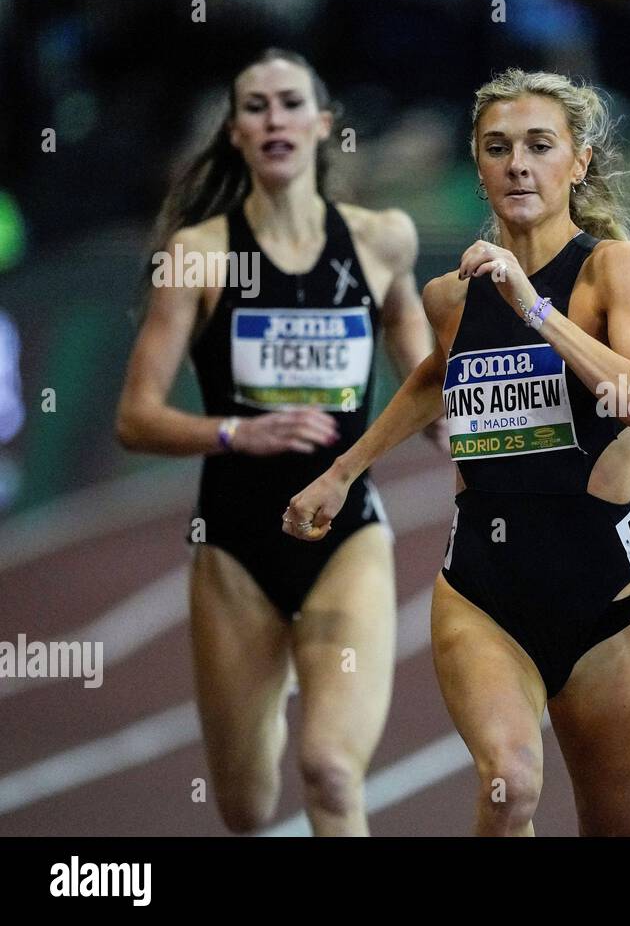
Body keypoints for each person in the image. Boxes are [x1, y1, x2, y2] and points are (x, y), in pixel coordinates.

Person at [284, 68, 630, 836]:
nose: (518, 164)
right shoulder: (449, 297)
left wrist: (534, 308)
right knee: (511, 785)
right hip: (481, 593)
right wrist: (341, 471)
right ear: (479, 166)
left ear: (579, 162)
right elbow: (437, 375)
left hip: (606, 604)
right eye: (498, 148)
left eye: (539, 145)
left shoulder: (615, 270)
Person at [115, 48, 432, 835]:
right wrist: (237, 431)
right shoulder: (199, 254)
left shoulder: (381, 241)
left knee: (329, 772)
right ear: (235, 132)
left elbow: (428, 386)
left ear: (323, 125)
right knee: (247, 807)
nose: (274, 119)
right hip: (233, 548)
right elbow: (136, 417)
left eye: (291, 103)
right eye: (255, 107)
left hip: (344, 537)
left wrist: (489, 455)